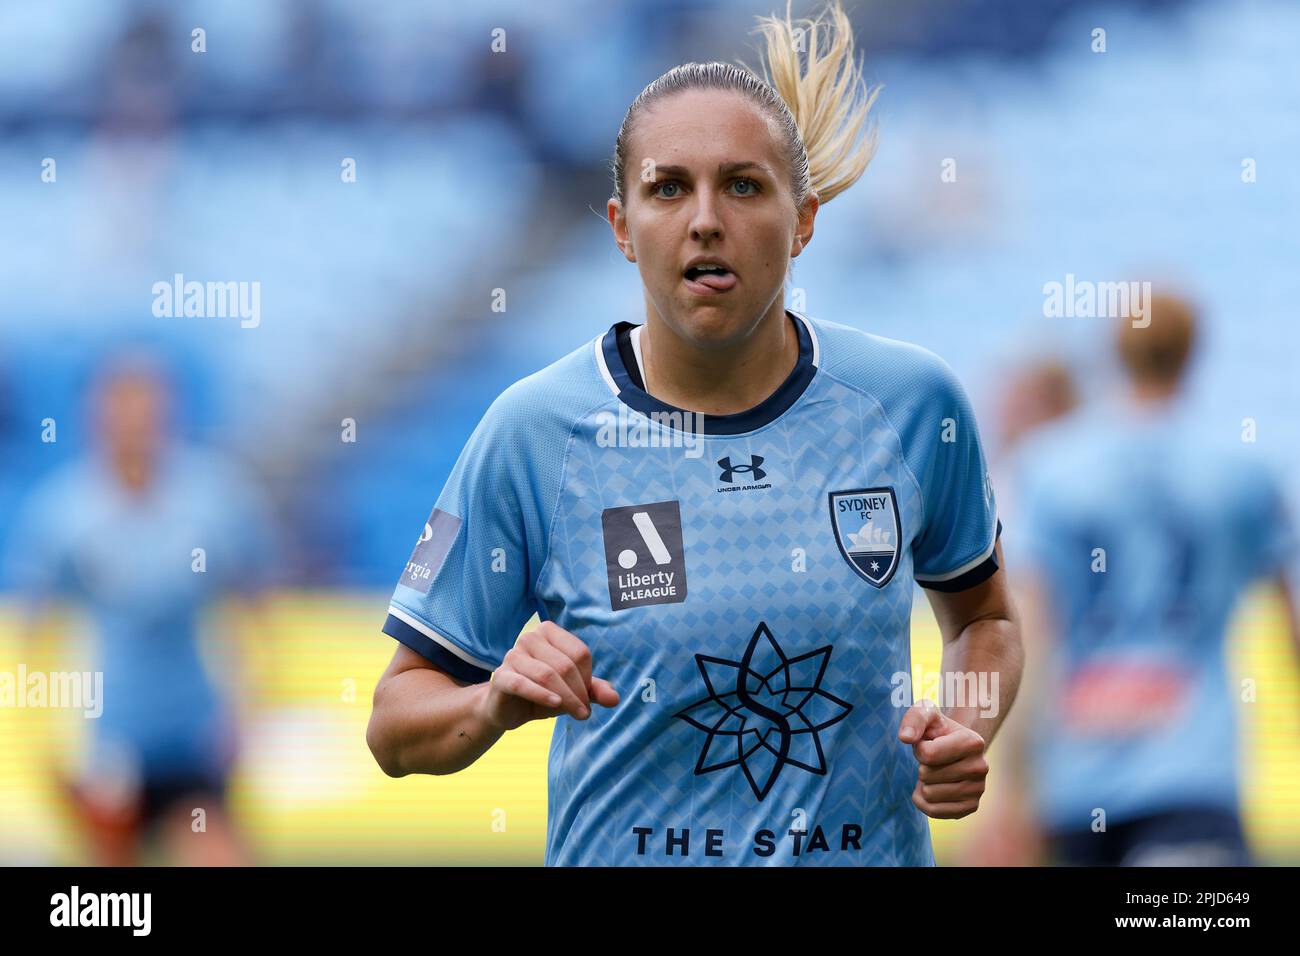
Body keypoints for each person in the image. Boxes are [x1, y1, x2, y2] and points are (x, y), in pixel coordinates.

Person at [367, 0, 1023, 866]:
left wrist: (965, 724)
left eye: (743, 185)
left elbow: (987, 621)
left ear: (804, 220)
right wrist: (492, 700)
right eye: (668, 188)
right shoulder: (536, 433)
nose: (705, 218)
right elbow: (394, 722)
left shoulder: (910, 403)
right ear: (621, 229)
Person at [989, 293, 1300, 866]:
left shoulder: (1050, 468)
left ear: (1113, 349)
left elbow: (1034, 637)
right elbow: (1291, 635)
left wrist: (1012, 791)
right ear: (1194, 351)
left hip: (1077, 782)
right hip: (1192, 776)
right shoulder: (1244, 474)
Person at [5, 353, 275, 865]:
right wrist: (42, 740)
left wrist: (250, 709)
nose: (134, 419)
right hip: (110, 739)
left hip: (193, 733)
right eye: (119, 405)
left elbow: (257, 609)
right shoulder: (64, 511)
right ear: (95, 416)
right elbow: (32, 628)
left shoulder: (215, 498)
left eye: (146, 403)